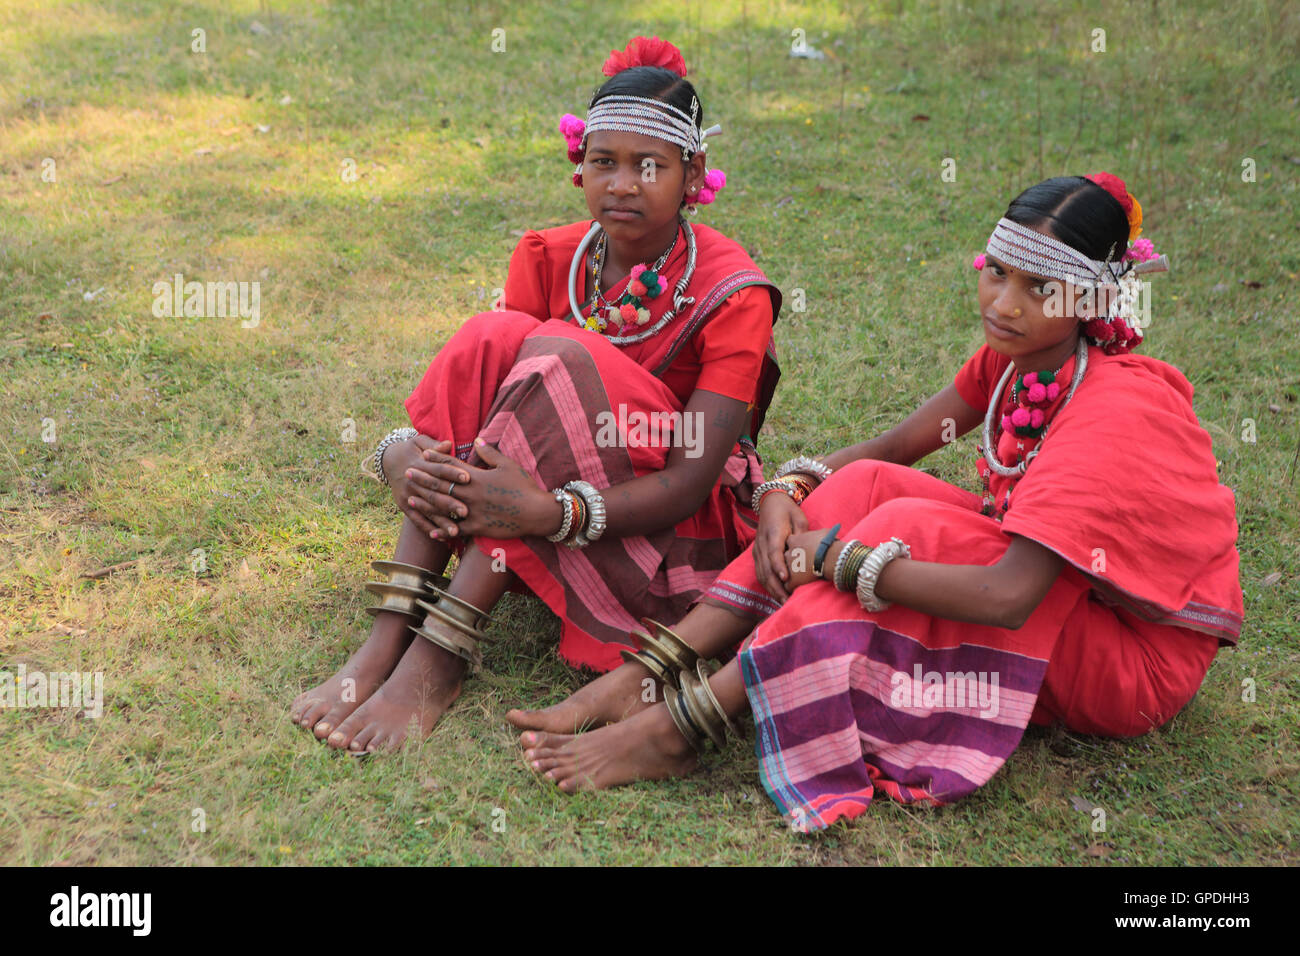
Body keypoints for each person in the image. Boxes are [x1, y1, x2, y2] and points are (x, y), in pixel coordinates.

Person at [515, 174, 1244, 832]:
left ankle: (680, 728)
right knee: (865, 490)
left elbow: (1010, 596)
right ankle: (651, 668)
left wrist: (835, 558)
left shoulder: (1113, 408)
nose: (1006, 303)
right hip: (1056, 589)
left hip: (1131, 658)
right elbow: (892, 450)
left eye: (1040, 288)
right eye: (997, 273)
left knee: (898, 527)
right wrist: (786, 491)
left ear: (1091, 299)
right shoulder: (1021, 361)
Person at [289, 36, 783, 753]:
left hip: (661, 537)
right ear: (576, 165)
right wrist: (404, 455)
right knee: (495, 335)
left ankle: (439, 657)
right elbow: (489, 417)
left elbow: (690, 481)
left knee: (556, 356)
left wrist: (548, 510)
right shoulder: (550, 258)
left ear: (693, 174)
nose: (623, 183)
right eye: (603, 161)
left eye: (650, 167)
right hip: (524, 508)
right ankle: (386, 638)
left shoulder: (731, 291)